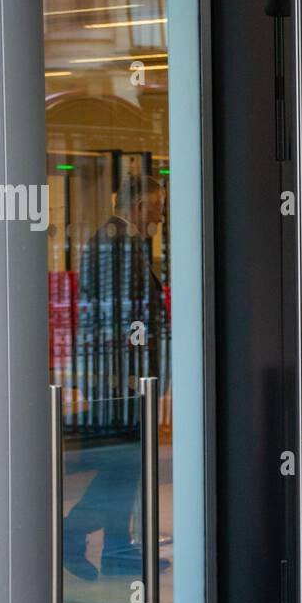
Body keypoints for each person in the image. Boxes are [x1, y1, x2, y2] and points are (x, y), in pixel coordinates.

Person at [64, 173, 168, 580]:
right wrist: (129, 376)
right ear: (140, 207)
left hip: (122, 373)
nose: (161, 216)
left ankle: (118, 549)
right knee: (124, 464)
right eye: (158, 207)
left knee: (128, 463)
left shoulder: (117, 240)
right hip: (121, 376)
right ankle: (73, 533)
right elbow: (115, 315)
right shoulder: (117, 242)